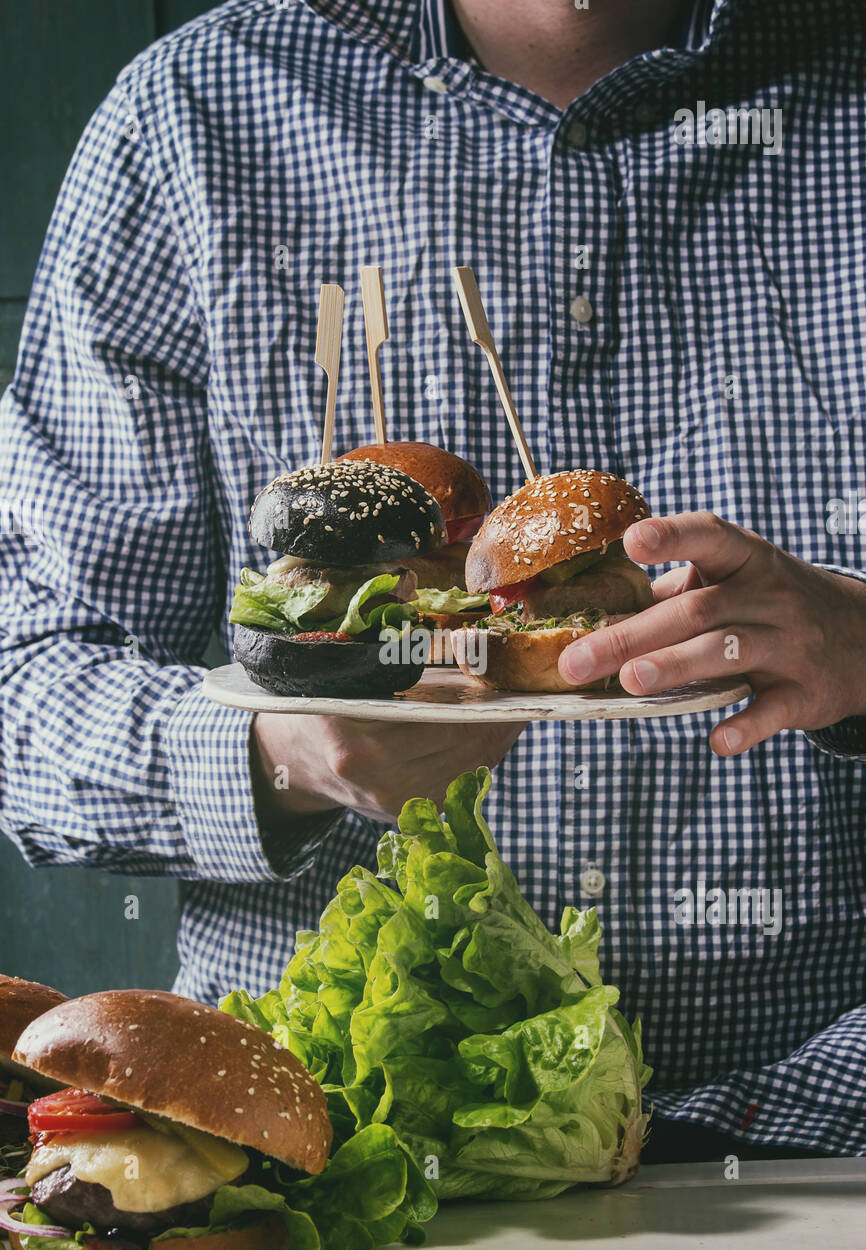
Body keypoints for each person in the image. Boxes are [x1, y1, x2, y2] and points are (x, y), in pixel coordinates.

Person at [1, 0, 865, 1162]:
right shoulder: (197, 114)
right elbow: (25, 690)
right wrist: (277, 758)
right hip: (334, 1146)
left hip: (820, 1135)